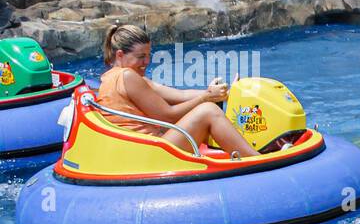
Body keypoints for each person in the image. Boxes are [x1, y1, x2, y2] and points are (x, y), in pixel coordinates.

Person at [97, 24, 257, 158]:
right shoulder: (127, 76)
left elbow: (181, 95)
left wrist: (220, 92)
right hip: (148, 154)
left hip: (140, 149)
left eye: (148, 55)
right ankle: (257, 160)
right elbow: (168, 115)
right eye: (141, 56)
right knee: (209, 111)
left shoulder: (115, 77)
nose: (147, 61)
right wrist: (206, 98)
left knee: (204, 107)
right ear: (120, 55)